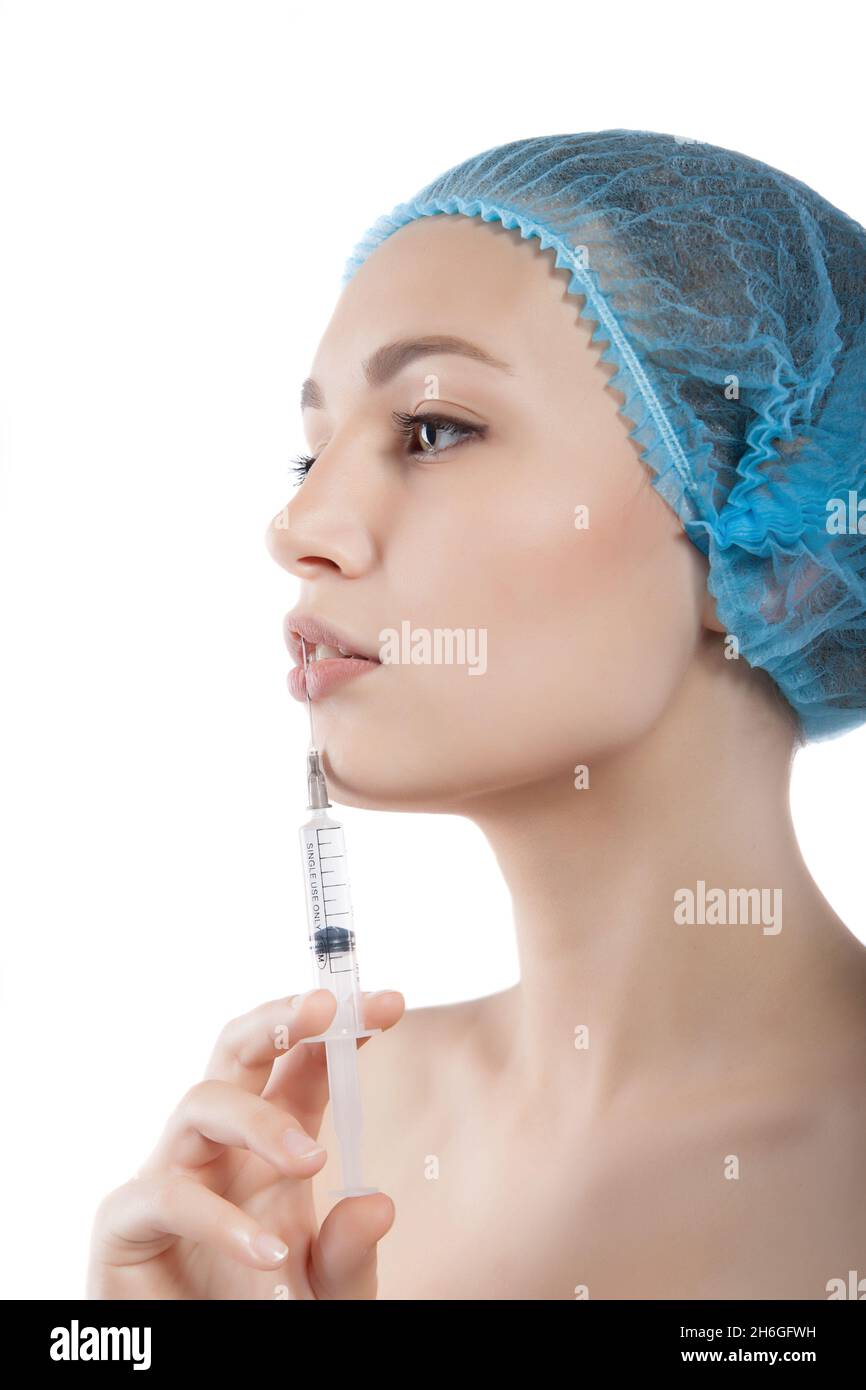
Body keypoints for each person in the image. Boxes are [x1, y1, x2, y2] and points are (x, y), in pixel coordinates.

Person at [89, 132, 866, 1299]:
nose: (298, 525)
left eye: (433, 429)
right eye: (306, 452)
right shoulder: (313, 1149)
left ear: (780, 543)